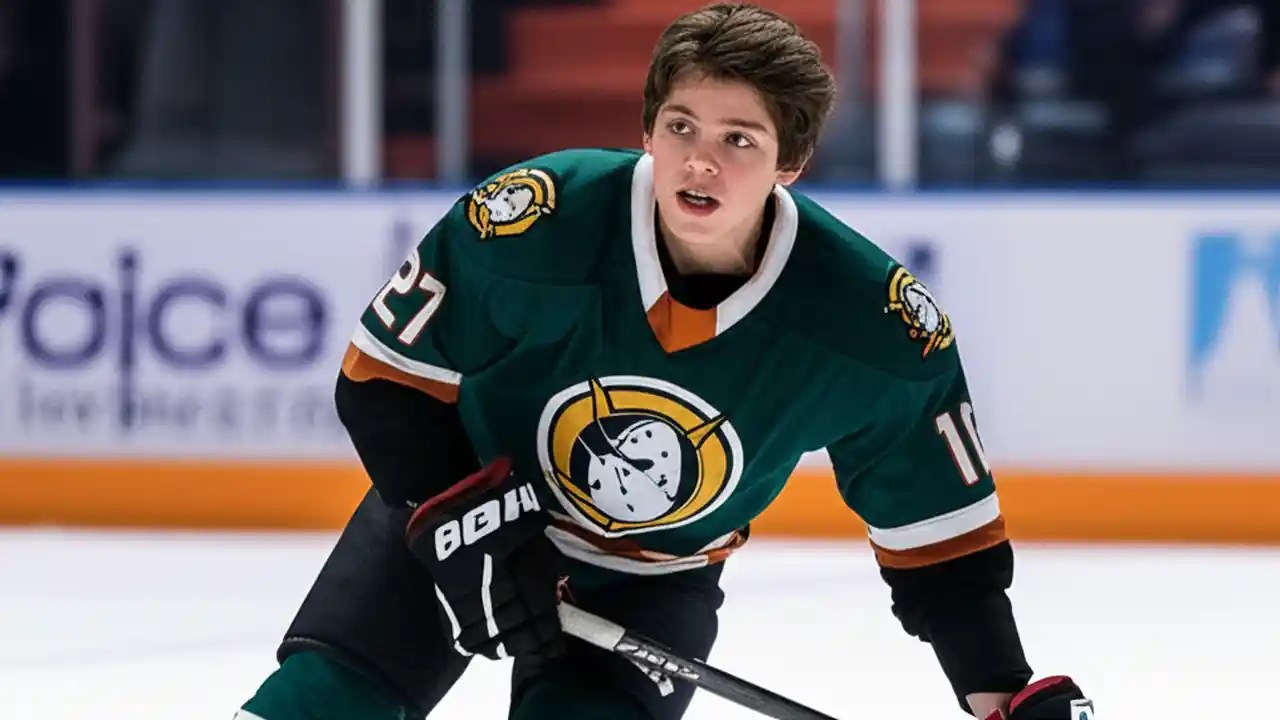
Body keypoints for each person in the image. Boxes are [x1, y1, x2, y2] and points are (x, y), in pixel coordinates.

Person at [236, 4, 1090, 719]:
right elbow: (381, 385)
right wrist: (473, 522)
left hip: (648, 581)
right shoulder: (535, 227)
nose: (700, 161)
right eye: (681, 127)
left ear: (792, 162)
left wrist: (1004, 693)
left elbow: (941, 545)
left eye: (739, 139)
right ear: (646, 129)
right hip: (454, 516)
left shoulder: (871, 327)